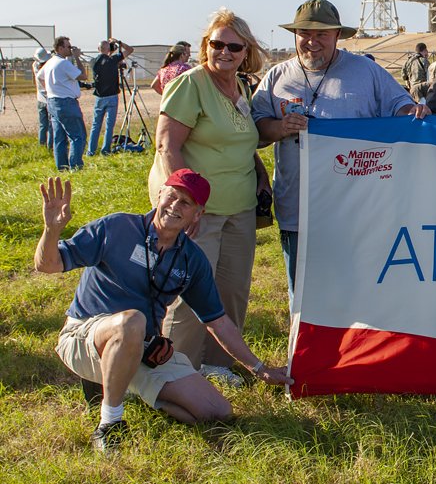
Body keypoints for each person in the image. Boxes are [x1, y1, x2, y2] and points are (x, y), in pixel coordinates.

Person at [35, 170, 292, 452]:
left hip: (143, 349)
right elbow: (47, 265)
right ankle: (109, 425)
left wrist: (259, 369)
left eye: (186, 202)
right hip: (83, 338)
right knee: (132, 321)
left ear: (198, 214)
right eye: (172, 195)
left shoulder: (191, 259)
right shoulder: (116, 227)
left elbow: (217, 322)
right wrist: (52, 229)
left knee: (217, 412)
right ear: (160, 194)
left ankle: (126, 387)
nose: (175, 205)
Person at [252, 0, 428, 297]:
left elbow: (400, 105)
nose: (312, 42)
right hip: (298, 207)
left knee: (357, 290)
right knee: (303, 292)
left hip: (355, 209)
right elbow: (255, 130)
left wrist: (413, 112)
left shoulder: (365, 71)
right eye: (305, 33)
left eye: (321, 34)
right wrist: (280, 128)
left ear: (337, 35)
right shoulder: (276, 77)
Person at [148, 8, 271, 387]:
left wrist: (262, 178)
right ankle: (178, 369)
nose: (225, 52)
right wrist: (184, 206)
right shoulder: (191, 84)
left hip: (239, 208)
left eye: (234, 46)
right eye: (217, 44)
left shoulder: (242, 89)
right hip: (198, 210)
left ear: (245, 51)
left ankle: (219, 364)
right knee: (189, 290)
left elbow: (244, 143)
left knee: (232, 288)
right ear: (206, 46)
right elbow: (168, 145)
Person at [41, 36, 89, 171]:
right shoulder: (64, 63)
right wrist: (77, 57)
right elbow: (83, 76)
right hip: (66, 102)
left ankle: (62, 167)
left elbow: (39, 76)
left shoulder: (50, 62)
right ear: (60, 48)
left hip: (52, 101)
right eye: (68, 46)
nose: (70, 48)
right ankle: (76, 166)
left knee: (59, 137)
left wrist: (48, 90)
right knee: (77, 135)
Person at [88, 37, 135, 156]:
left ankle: (91, 150)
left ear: (98, 49)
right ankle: (105, 149)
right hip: (112, 95)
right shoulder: (113, 59)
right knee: (109, 125)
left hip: (99, 96)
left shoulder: (93, 62)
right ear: (108, 49)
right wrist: (119, 43)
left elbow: (103, 60)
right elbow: (130, 50)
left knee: (96, 124)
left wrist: (109, 51)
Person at [32, 46, 52, 150]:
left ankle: (42, 145)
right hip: (48, 99)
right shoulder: (47, 67)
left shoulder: (35, 65)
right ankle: (50, 146)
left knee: (43, 125)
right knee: (50, 125)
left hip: (40, 99)